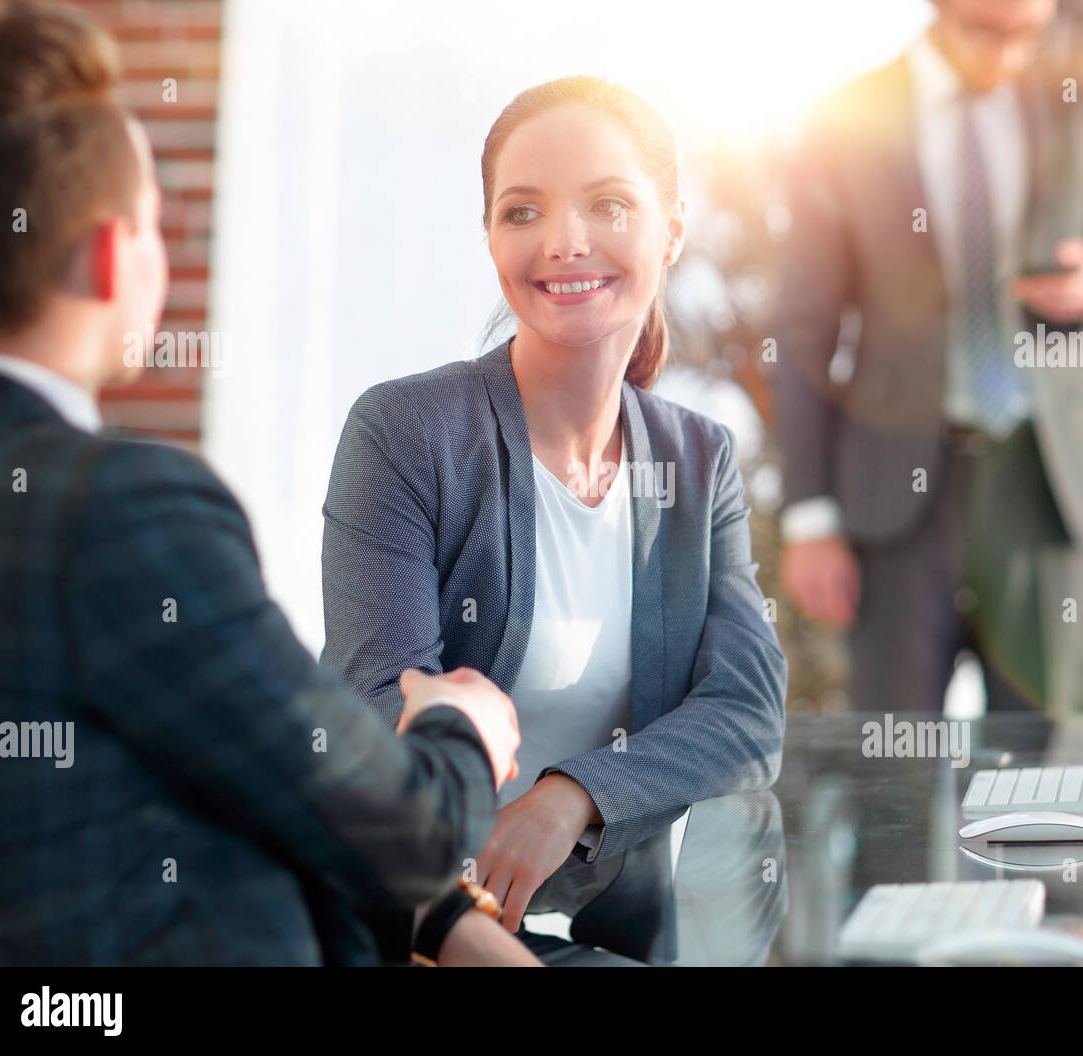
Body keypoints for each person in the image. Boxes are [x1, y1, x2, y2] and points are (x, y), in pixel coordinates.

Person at [0, 1, 534, 967]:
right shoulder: (121, 511)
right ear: (116, 255)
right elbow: (395, 822)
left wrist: (442, 922)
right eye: (156, 219)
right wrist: (462, 730)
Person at [321, 75, 788, 962]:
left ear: (672, 229)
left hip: (598, 935)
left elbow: (748, 708)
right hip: (412, 926)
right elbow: (376, 698)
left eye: (608, 204)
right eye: (522, 211)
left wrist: (575, 794)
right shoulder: (407, 433)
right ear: (491, 233)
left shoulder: (697, 461)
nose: (564, 243)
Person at [772, 0, 1083, 716]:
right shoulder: (849, 117)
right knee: (895, 781)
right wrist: (809, 521)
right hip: (895, 499)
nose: (1004, 57)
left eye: (1026, 35)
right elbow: (803, 328)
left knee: (1040, 789)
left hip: (1040, 487)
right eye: (983, 32)